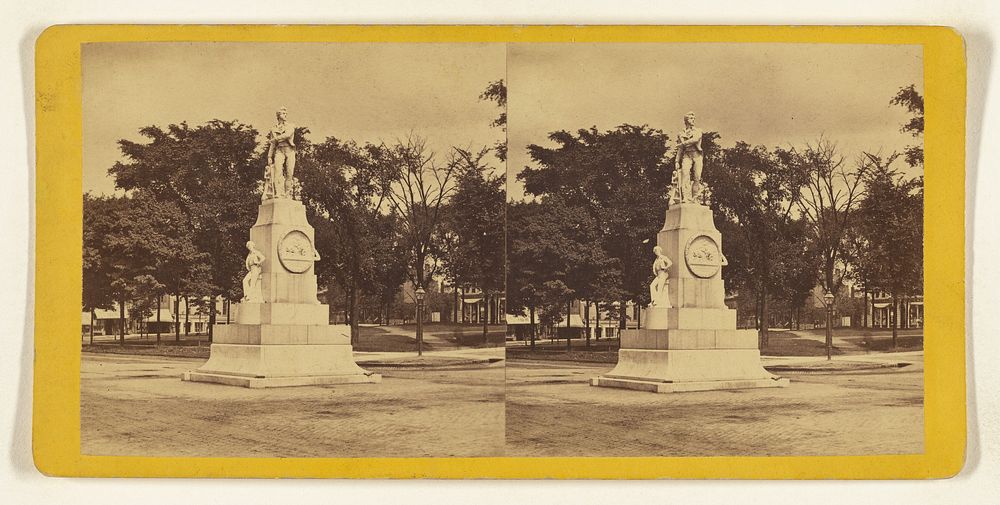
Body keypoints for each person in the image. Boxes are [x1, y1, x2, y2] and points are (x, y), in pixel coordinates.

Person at [267, 107, 296, 197]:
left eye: (286, 113)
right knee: (277, 171)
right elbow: (272, 144)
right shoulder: (273, 129)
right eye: (283, 113)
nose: (285, 115)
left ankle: (288, 193)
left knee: (289, 173)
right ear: (278, 115)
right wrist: (269, 156)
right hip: (279, 150)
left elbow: (287, 135)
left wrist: (274, 139)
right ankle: (279, 192)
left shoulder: (290, 126)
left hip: (289, 150)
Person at [675, 111, 704, 200]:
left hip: (697, 155)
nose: (693, 120)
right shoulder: (681, 133)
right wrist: (676, 161)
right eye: (691, 118)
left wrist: (683, 144)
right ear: (686, 120)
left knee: (697, 177)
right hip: (687, 155)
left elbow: (695, 140)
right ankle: (686, 197)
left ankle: (695, 197)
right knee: (685, 175)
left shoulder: (698, 130)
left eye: (694, 118)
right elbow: (680, 149)